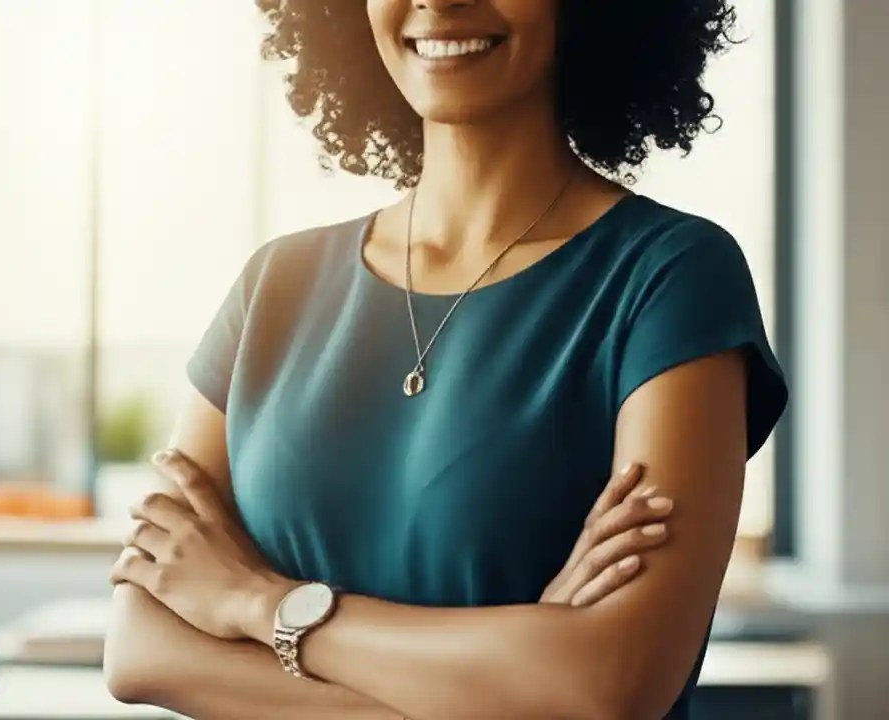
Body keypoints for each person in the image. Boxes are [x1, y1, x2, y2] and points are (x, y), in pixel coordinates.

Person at [104, 1, 787, 718]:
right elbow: (143, 649)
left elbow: (609, 683)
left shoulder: (671, 278)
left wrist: (255, 601)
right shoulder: (275, 284)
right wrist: (505, 686)